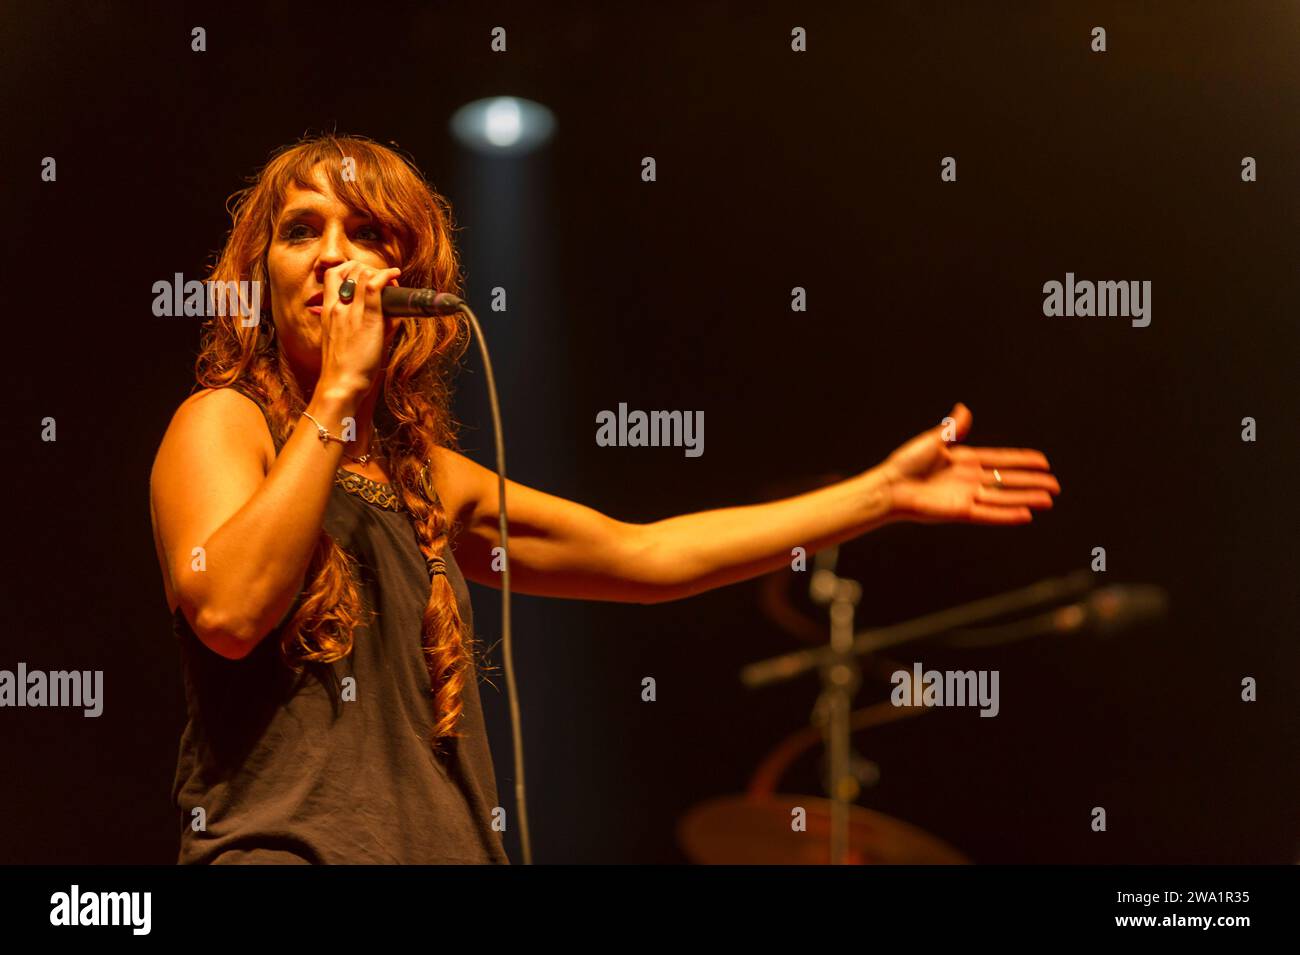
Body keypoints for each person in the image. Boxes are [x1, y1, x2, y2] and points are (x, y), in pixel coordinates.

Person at [149, 134, 1061, 865]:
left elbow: (646, 556)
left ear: (411, 277)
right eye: (303, 231)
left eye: (367, 232)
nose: (334, 257)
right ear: (259, 276)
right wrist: (338, 398)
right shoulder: (224, 423)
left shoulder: (431, 478)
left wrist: (877, 497)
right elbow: (228, 607)